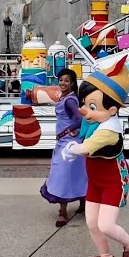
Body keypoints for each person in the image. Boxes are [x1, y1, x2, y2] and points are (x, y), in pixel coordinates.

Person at [61, 57, 129, 257]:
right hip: (96, 181)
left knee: (106, 224)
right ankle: (106, 256)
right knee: (92, 223)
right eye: (85, 104)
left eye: (92, 106)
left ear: (111, 110)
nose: (84, 111)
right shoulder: (94, 124)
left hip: (113, 181)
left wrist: (71, 149)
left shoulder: (108, 130)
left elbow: (87, 148)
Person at [40, 69, 87, 227]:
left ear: (72, 83)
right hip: (65, 142)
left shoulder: (70, 100)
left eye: (66, 81)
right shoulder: (66, 97)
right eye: (61, 80)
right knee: (77, 173)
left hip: (69, 144)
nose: (63, 83)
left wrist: (70, 129)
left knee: (63, 175)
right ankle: (83, 202)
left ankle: (62, 211)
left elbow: (80, 119)